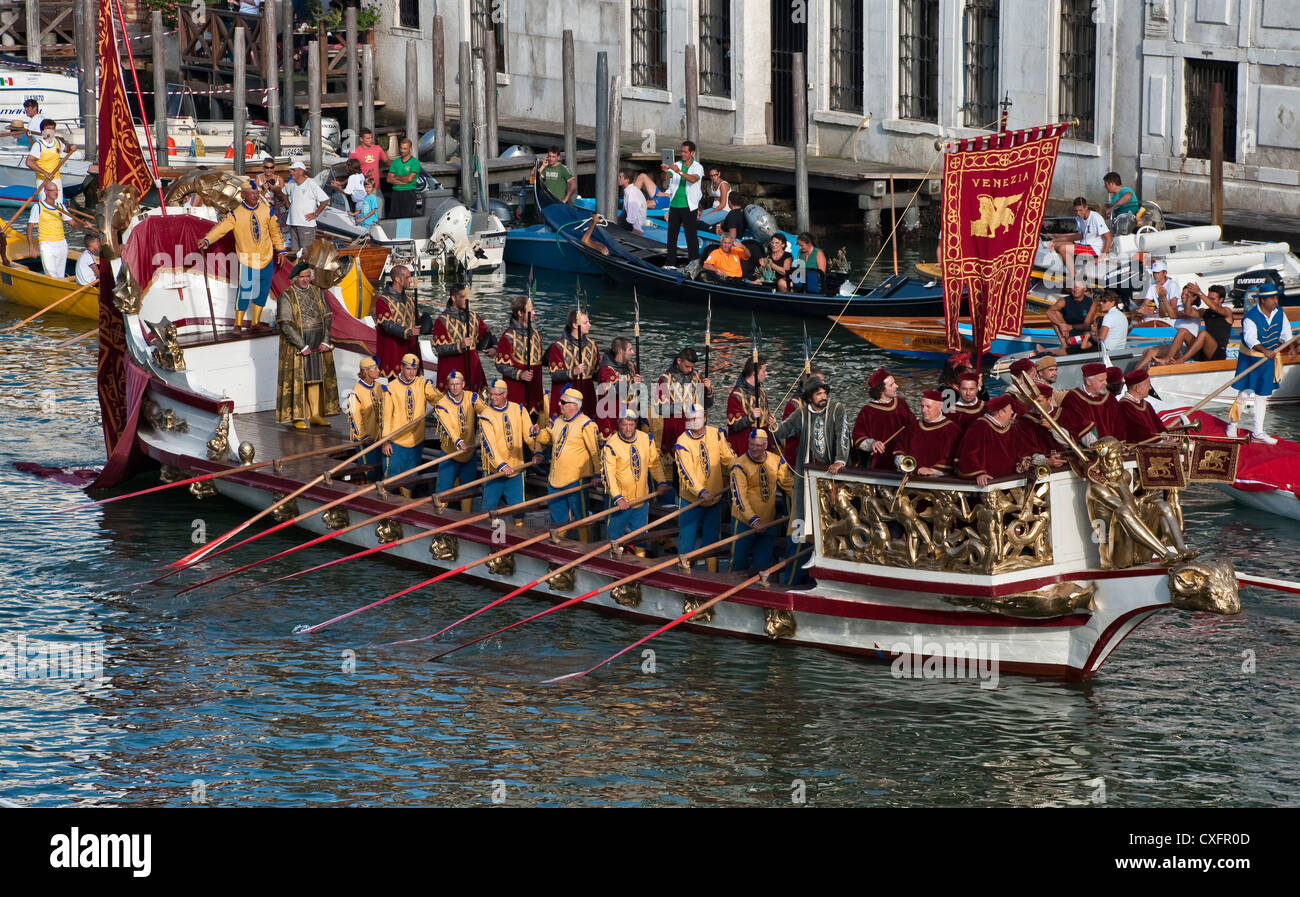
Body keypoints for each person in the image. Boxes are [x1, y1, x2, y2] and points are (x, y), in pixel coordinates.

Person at [773, 376, 850, 584]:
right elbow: (784, 430)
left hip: (831, 479)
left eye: (825, 393)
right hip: (806, 479)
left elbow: (842, 435)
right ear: (809, 397)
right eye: (819, 394)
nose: (823, 397)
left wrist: (840, 461)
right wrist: (772, 426)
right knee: (800, 524)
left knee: (830, 523)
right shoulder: (802, 413)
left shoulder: (837, 409)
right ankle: (793, 579)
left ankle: (825, 574)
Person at [198, 177, 288, 330]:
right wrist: (207, 240)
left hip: (266, 258)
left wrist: (280, 250)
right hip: (247, 259)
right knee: (244, 292)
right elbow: (220, 229)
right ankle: (238, 324)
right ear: (243, 195)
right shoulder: (235, 214)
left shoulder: (267, 211)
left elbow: (275, 233)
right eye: (251, 193)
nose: (254, 196)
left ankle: (255, 322)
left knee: (263, 291)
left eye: (256, 193)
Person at [1227, 282, 1295, 444]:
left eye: (1276, 298)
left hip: (1269, 358)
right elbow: (1250, 339)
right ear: (1263, 300)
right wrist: (1264, 350)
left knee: (1263, 394)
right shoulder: (1250, 317)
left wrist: (1291, 346)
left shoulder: (1279, 313)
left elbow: (1286, 333)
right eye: (1272, 298)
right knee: (1245, 392)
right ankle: (1232, 425)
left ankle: (1258, 432)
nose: (1276, 301)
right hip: (1251, 356)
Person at [275, 261, 340, 430]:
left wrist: (326, 340)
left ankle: (316, 414)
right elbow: (285, 324)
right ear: (295, 278)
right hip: (298, 345)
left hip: (318, 342)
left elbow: (327, 316)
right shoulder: (286, 295)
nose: (305, 280)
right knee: (299, 379)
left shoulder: (318, 292)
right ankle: (297, 416)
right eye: (302, 277)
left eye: (307, 277)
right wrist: (301, 345)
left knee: (316, 377)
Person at [673, 403, 737, 570]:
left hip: (714, 498)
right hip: (691, 500)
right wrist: (701, 491)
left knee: (712, 542)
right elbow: (687, 473)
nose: (695, 422)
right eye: (691, 419)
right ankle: (683, 574)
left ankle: (712, 574)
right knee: (687, 540)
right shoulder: (682, 442)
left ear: (705, 418)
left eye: (698, 418)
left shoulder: (716, 434)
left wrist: (739, 470)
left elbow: (728, 458)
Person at [534, 387, 602, 537]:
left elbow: (595, 452)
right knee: (557, 519)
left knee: (581, 518)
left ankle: (584, 545)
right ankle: (559, 546)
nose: (559, 404)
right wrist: (537, 433)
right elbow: (548, 438)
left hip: (575, 480)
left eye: (563, 402)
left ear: (574, 405)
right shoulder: (558, 421)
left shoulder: (587, 425)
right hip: (555, 479)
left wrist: (597, 474)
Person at [602, 408, 671, 548]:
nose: (628, 428)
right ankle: (616, 562)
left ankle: (639, 563)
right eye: (624, 424)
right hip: (620, 503)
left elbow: (655, 464)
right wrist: (618, 498)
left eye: (631, 424)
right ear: (618, 424)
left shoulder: (646, 439)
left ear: (635, 424)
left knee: (640, 538)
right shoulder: (611, 446)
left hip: (642, 499)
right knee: (615, 539)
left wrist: (661, 482)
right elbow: (609, 475)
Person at [728, 428, 793, 574]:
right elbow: (740, 498)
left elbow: (788, 485)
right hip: (744, 522)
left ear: (765, 446)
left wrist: (800, 500)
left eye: (758, 446)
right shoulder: (739, 466)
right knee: (738, 564)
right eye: (751, 445)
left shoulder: (776, 461)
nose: (754, 449)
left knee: (763, 566)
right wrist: (754, 520)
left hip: (768, 522)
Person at [381, 352, 443, 494]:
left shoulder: (423, 384)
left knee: (410, 479)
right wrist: (385, 441)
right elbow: (386, 417)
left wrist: (448, 401)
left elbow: (437, 399)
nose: (411, 372)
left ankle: (404, 507)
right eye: (408, 369)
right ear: (401, 368)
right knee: (391, 478)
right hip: (396, 441)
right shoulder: (391, 388)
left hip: (416, 439)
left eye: (414, 370)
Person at [477, 378, 539, 519]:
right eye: (491, 394)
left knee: (518, 510)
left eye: (497, 395)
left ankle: (518, 532)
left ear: (505, 395)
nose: (492, 398)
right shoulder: (486, 415)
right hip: (494, 471)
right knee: (489, 510)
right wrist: (501, 465)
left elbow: (529, 436)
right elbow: (489, 445)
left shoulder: (519, 409)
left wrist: (537, 451)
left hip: (516, 469)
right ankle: (487, 535)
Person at [957, 395, 1044, 486]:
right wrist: (979, 473)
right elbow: (968, 455)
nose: (1012, 412)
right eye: (1010, 409)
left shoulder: (1011, 428)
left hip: (1012, 481)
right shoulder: (979, 427)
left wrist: (1033, 460)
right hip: (991, 484)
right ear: (1001, 413)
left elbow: (1025, 448)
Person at [432, 368, 485, 510]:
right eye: (452, 384)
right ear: (448, 385)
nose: (455, 387)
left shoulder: (472, 397)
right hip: (450, 453)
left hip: (469, 453)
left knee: (468, 490)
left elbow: (486, 414)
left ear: (463, 384)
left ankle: (465, 516)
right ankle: (440, 517)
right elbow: (449, 427)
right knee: (443, 491)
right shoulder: (442, 404)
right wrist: (459, 441)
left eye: (458, 384)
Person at [433, 282, 494, 392]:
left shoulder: (474, 317)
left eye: (467, 297)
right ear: (453, 298)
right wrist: (460, 345)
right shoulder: (441, 321)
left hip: (474, 371)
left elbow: (488, 335)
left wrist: (494, 348)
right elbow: (440, 349)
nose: (466, 300)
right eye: (462, 297)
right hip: (452, 370)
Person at [852, 368, 917, 470]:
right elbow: (858, 437)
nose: (897, 386)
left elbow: (913, 424)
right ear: (881, 390)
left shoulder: (900, 402)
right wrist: (872, 443)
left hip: (903, 456)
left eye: (894, 383)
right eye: (892, 385)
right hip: (880, 461)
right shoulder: (867, 411)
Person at [494, 295, 546, 420]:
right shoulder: (508, 336)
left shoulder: (536, 335)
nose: (534, 313)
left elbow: (539, 359)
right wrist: (520, 374)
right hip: (517, 393)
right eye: (531, 310)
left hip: (535, 392)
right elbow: (500, 365)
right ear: (520, 313)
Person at [26, 181, 89, 279]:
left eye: (57, 190)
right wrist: (31, 246)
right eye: (52, 191)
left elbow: (73, 224)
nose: (55, 193)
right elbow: (29, 228)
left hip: (61, 244)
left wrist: (83, 225)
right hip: (47, 245)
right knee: (51, 275)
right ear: (46, 191)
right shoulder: (38, 207)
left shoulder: (60, 207)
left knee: (60, 275)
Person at [654, 347, 712, 452]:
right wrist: (683, 406)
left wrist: (708, 391)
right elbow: (659, 408)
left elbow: (706, 405)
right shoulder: (665, 380)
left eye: (692, 367)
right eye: (687, 366)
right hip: (675, 429)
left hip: (695, 428)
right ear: (679, 361)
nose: (690, 370)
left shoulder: (698, 377)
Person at [1159, 283, 1232, 364]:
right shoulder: (1204, 311)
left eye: (1213, 299)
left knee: (1203, 333)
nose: (1209, 301)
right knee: (1182, 331)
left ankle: (1182, 360)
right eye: (1209, 298)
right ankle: (1167, 359)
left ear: (1221, 300)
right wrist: (1189, 297)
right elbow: (1188, 312)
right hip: (1202, 352)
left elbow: (1215, 307)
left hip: (1217, 354)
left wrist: (1199, 293)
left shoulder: (1227, 311)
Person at [547, 307, 600, 418]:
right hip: (568, 394)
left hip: (587, 395)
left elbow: (596, 373)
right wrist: (573, 372)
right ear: (575, 325)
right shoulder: (558, 346)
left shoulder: (592, 346)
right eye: (586, 322)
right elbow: (555, 375)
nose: (589, 325)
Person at [1057, 362, 1125, 446]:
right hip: (1090, 452)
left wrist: (1120, 446)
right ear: (1088, 382)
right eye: (1101, 380)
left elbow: (1120, 425)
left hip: (1114, 450)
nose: (1106, 383)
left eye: (1105, 379)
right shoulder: (1073, 399)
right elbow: (1077, 427)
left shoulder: (1109, 398)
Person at [896, 390, 961, 476]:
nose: (923, 410)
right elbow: (901, 447)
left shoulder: (951, 429)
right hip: (910, 476)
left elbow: (951, 457)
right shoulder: (914, 425)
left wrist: (933, 470)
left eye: (928, 406)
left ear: (940, 406)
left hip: (936, 480)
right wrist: (902, 462)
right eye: (922, 406)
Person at [1049, 196, 1112, 284]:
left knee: (1062, 248)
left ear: (1086, 207)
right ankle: (1071, 267)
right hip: (1084, 245)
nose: (1078, 213)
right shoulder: (1079, 218)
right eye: (1076, 211)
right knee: (1057, 246)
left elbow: (1109, 237)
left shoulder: (1096, 217)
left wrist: (1103, 255)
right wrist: (1056, 240)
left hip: (1094, 249)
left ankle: (1074, 277)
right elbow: (1079, 236)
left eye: (1080, 210)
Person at [662, 140, 703, 267]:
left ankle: (694, 263)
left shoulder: (698, 167)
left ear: (692, 153)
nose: (682, 154)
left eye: (685, 152)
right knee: (671, 236)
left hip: (689, 206)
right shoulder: (676, 164)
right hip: (674, 205)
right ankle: (670, 263)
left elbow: (693, 179)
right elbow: (666, 178)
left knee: (691, 236)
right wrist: (666, 171)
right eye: (681, 151)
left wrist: (679, 171)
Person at [373, 265, 418, 378]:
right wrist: (408, 332)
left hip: (410, 349)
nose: (410, 280)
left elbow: (416, 320)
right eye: (407, 277)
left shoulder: (410, 300)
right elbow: (387, 325)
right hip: (394, 351)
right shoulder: (383, 301)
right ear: (397, 279)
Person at [346, 355, 387, 480]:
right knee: (369, 471)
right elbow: (355, 418)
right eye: (374, 368)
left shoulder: (379, 387)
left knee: (381, 469)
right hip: (365, 440)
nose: (378, 371)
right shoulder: (356, 392)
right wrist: (364, 436)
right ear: (365, 371)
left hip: (379, 438)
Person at [724, 357, 774, 455]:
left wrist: (770, 420)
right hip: (745, 447)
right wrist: (750, 417)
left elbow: (765, 418)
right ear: (754, 373)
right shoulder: (736, 395)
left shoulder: (762, 391)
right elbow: (734, 426)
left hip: (762, 444)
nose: (766, 374)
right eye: (764, 371)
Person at [595, 336, 642, 439]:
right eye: (630, 349)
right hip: (611, 417)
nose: (633, 352)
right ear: (621, 351)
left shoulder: (631, 365)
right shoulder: (606, 370)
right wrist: (632, 382)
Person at [284, 159, 329, 252]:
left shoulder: (311, 183)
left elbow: (325, 200)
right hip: (293, 223)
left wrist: (315, 214)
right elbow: (283, 192)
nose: (291, 172)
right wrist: (288, 204)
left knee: (306, 253)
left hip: (306, 224)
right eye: (290, 170)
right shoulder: (291, 183)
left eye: (293, 170)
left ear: (301, 171)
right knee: (294, 251)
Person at [24, 118, 73, 202]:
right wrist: (45, 173)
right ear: (43, 131)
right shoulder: (38, 145)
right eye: (48, 128)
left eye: (52, 128)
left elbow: (67, 150)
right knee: (46, 203)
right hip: (43, 179)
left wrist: (68, 144)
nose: (50, 131)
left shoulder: (57, 142)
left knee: (58, 202)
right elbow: (29, 162)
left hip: (56, 178)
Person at [1118, 368, 1166, 443]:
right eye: (1148, 385)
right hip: (1142, 448)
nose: (1150, 388)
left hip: (1156, 444)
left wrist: (1166, 436)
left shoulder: (1146, 404)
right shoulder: (1125, 406)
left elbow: (1159, 426)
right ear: (1138, 388)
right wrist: (1161, 442)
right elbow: (1140, 432)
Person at [1044, 281, 1098, 346]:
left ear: (1085, 288)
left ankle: (1067, 347)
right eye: (1073, 287)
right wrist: (1061, 325)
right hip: (1068, 332)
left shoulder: (1092, 303)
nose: (1075, 290)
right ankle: (1065, 347)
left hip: (1085, 333)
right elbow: (1049, 312)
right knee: (1056, 317)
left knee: (1058, 316)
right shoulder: (1063, 300)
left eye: (1078, 287)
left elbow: (1085, 325)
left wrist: (1069, 327)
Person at [386, 137, 422, 219]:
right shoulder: (395, 162)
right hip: (396, 193)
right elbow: (389, 179)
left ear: (410, 149)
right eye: (401, 148)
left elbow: (409, 179)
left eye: (405, 148)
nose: (402, 150)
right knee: (395, 219)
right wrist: (403, 181)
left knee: (407, 219)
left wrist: (396, 177)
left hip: (408, 193)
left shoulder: (415, 162)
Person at [349, 128, 389, 196]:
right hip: (363, 189)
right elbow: (350, 170)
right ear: (361, 139)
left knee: (380, 205)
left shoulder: (377, 149)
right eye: (367, 138)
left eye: (371, 138)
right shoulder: (354, 153)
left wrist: (399, 165)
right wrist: (363, 175)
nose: (370, 140)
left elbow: (387, 161)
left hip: (376, 188)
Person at [617, 169, 647, 235]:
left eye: (620, 177)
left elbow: (631, 218)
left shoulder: (632, 193)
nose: (618, 178)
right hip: (630, 221)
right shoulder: (628, 190)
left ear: (627, 180)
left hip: (635, 227)